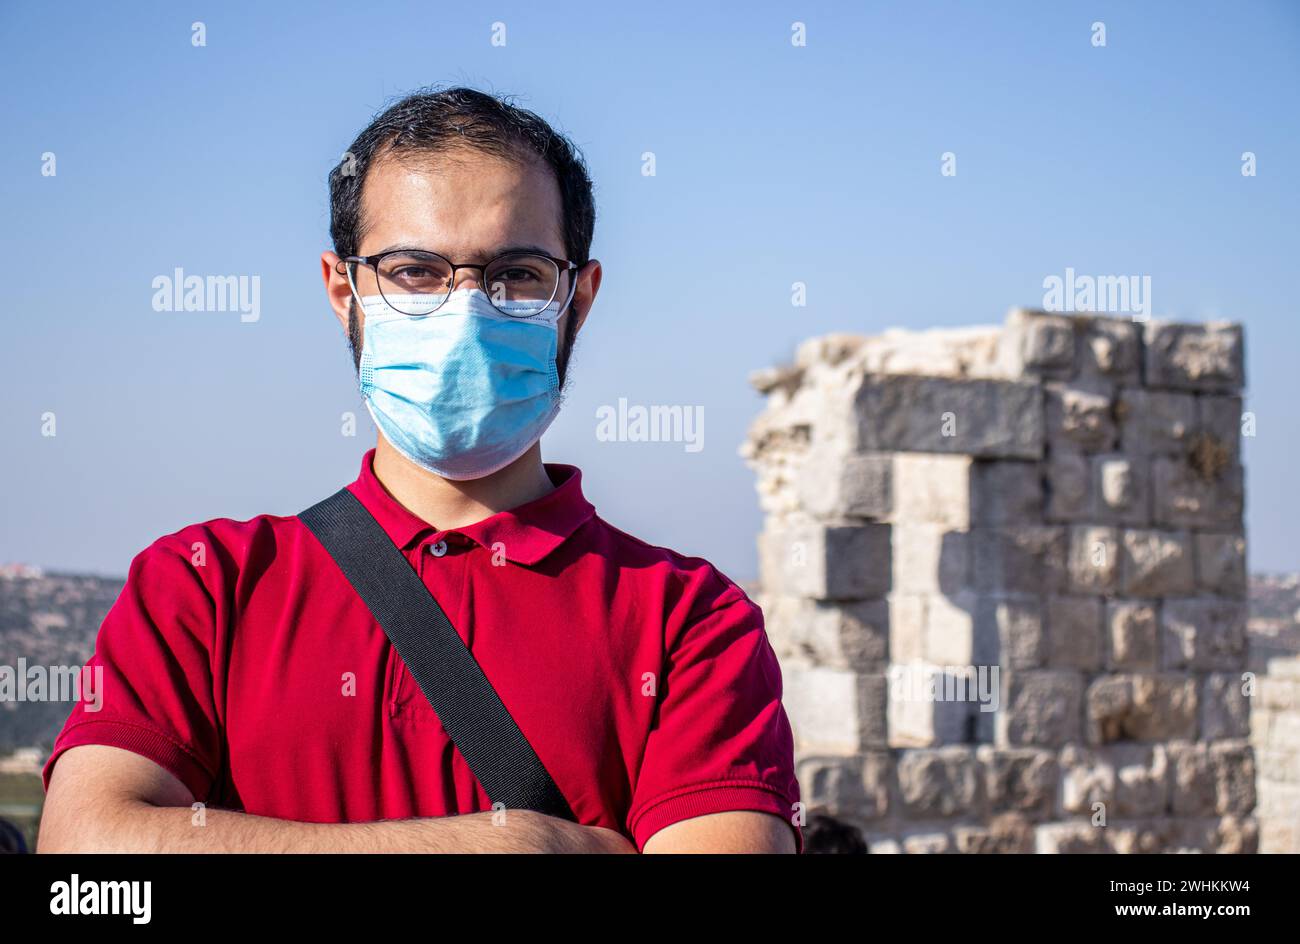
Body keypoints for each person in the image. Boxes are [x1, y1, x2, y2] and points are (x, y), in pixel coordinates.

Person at [38, 86, 801, 854]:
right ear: (345, 293)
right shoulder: (204, 585)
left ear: (580, 298)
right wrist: (520, 846)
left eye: (519, 274)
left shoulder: (692, 620)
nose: (466, 308)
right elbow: (90, 861)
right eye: (414, 271)